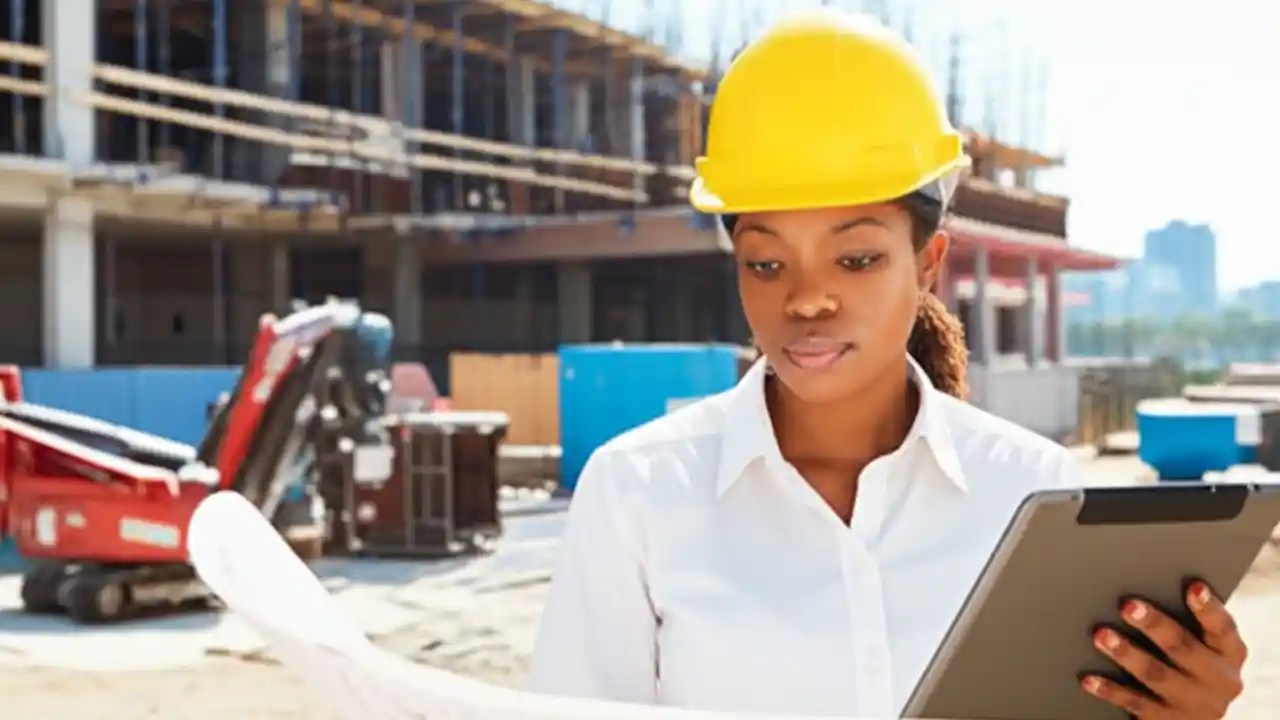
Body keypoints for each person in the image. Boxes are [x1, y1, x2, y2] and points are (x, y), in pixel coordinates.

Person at [527, 10, 1248, 719]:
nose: (807, 300)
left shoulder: (1030, 494)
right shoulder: (638, 496)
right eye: (766, 262)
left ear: (928, 262)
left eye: (857, 258)